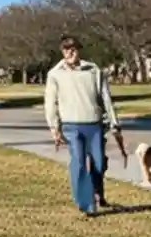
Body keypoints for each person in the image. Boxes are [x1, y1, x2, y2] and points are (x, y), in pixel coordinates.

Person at [44, 36, 121, 216]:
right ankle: (86, 204)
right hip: (71, 125)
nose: (70, 52)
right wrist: (54, 128)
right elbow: (50, 103)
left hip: (94, 124)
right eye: (66, 49)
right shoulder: (55, 74)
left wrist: (114, 123)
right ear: (62, 52)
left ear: (79, 50)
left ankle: (97, 192)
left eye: (73, 49)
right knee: (78, 162)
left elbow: (106, 98)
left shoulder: (93, 70)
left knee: (99, 163)